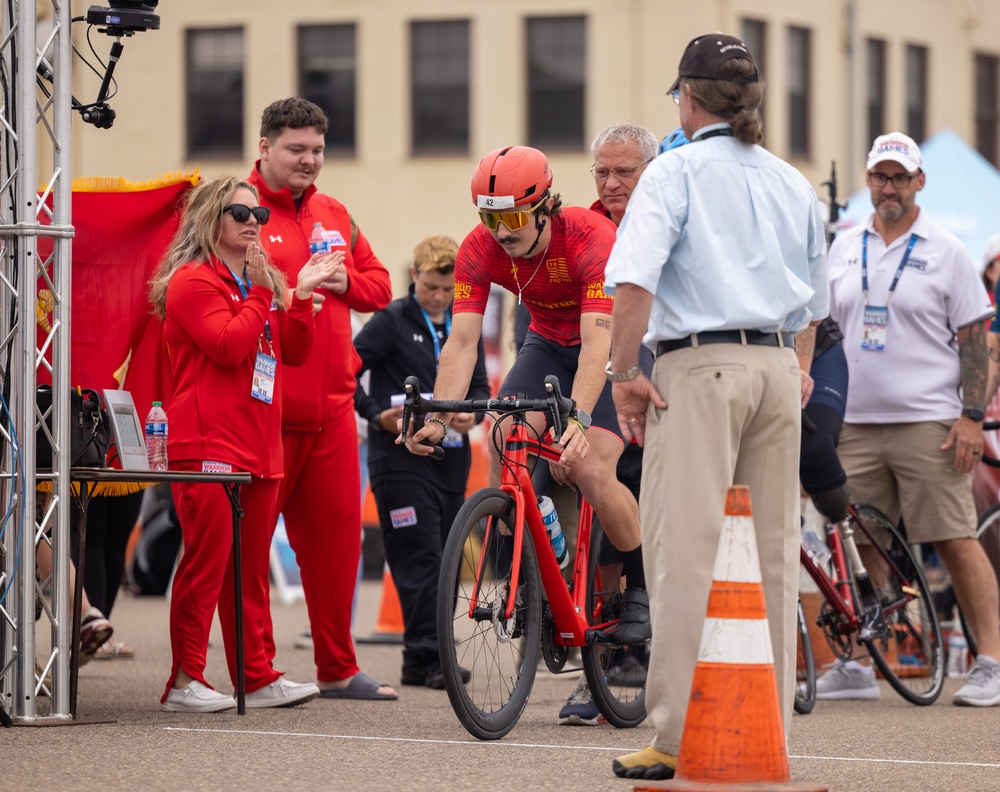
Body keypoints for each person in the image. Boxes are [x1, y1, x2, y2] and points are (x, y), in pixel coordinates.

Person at [603, 33, 828, 780]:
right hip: (771, 363)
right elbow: (815, 304)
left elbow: (633, 284)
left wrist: (623, 370)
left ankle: (673, 733)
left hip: (700, 365)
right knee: (769, 555)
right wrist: (793, 368)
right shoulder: (791, 181)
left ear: (689, 99)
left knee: (684, 552)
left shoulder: (676, 172)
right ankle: (761, 725)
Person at [402, 145, 650, 650]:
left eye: (515, 217)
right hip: (546, 344)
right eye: (490, 219)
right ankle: (531, 571)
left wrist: (577, 421)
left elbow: (598, 344)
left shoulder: (590, 239)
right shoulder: (480, 248)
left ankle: (641, 589)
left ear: (545, 207)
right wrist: (441, 415)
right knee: (501, 438)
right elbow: (463, 340)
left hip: (606, 344)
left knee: (591, 467)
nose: (503, 232)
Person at [824, 131, 1000, 707]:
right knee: (859, 538)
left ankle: (991, 660)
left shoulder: (946, 249)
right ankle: (862, 659)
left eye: (901, 177)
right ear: (868, 181)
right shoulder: (846, 245)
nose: (889, 187)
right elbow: (822, 327)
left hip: (929, 420)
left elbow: (977, 341)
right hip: (854, 419)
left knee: (953, 538)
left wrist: (972, 417)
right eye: (880, 176)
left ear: (920, 182)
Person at [148, 176, 336, 712]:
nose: (254, 223)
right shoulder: (191, 281)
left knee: (249, 572)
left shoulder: (257, 279)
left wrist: (297, 298)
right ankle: (184, 682)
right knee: (206, 564)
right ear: (211, 218)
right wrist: (263, 292)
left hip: (257, 441)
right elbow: (230, 347)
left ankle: (255, 675)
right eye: (240, 213)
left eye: (260, 216)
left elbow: (294, 353)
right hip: (206, 441)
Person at [247, 97, 397, 700]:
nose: (309, 160)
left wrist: (344, 281)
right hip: (265, 411)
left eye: (317, 150)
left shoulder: (334, 211)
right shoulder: (238, 210)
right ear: (265, 148)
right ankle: (256, 673)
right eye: (296, 149)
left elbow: (381, 287)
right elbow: (220, 294)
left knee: (338, 549)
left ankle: (337, 668)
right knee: (251, 551)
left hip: (334, 410)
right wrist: (293, 290)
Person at [557, 122, 660, 727]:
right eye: (602, 171)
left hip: (661, 379)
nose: (612, 182)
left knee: (638, 489)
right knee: (592, 502)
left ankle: (640, 632)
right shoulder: (580, 229)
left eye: (625, 171)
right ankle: (602, 665)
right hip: (599, 378)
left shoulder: (670, 219)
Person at [354, 235, 489, 689]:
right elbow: (343, 368)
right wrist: (376, 418)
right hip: (400, 462)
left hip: (450, 461)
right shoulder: (390, 320)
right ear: (414, 277)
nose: (439, 297)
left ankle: (422, 659)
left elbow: (482, 387)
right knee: (422, 559)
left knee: (448, 561)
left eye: (448, 289)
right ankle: (431, 657)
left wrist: (472, 412)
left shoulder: (462, 323)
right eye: (431, 286)